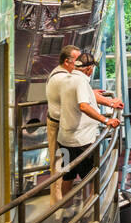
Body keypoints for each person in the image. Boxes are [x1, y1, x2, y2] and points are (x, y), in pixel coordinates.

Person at [57, 54, 120, 209]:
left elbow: (81, 97)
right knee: (91, 177)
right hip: (81, 141)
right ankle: (90, 211)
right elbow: (83, 106)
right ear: (89, 69)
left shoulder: (68, 78)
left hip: (64, 139)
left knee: (68, 175)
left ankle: (65, 211)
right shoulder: (81, 82)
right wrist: (106, 120)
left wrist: (94, 94)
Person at [45, 46, 81, 207]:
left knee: (64, 164)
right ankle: (58, 203)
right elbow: (79, 97)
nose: (79, 65)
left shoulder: (60, 74)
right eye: (77, 61)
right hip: (58, 128)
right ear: (67, 61)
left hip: (60, 126)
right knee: (60, 165)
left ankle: (61, 202)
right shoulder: (61, 79)